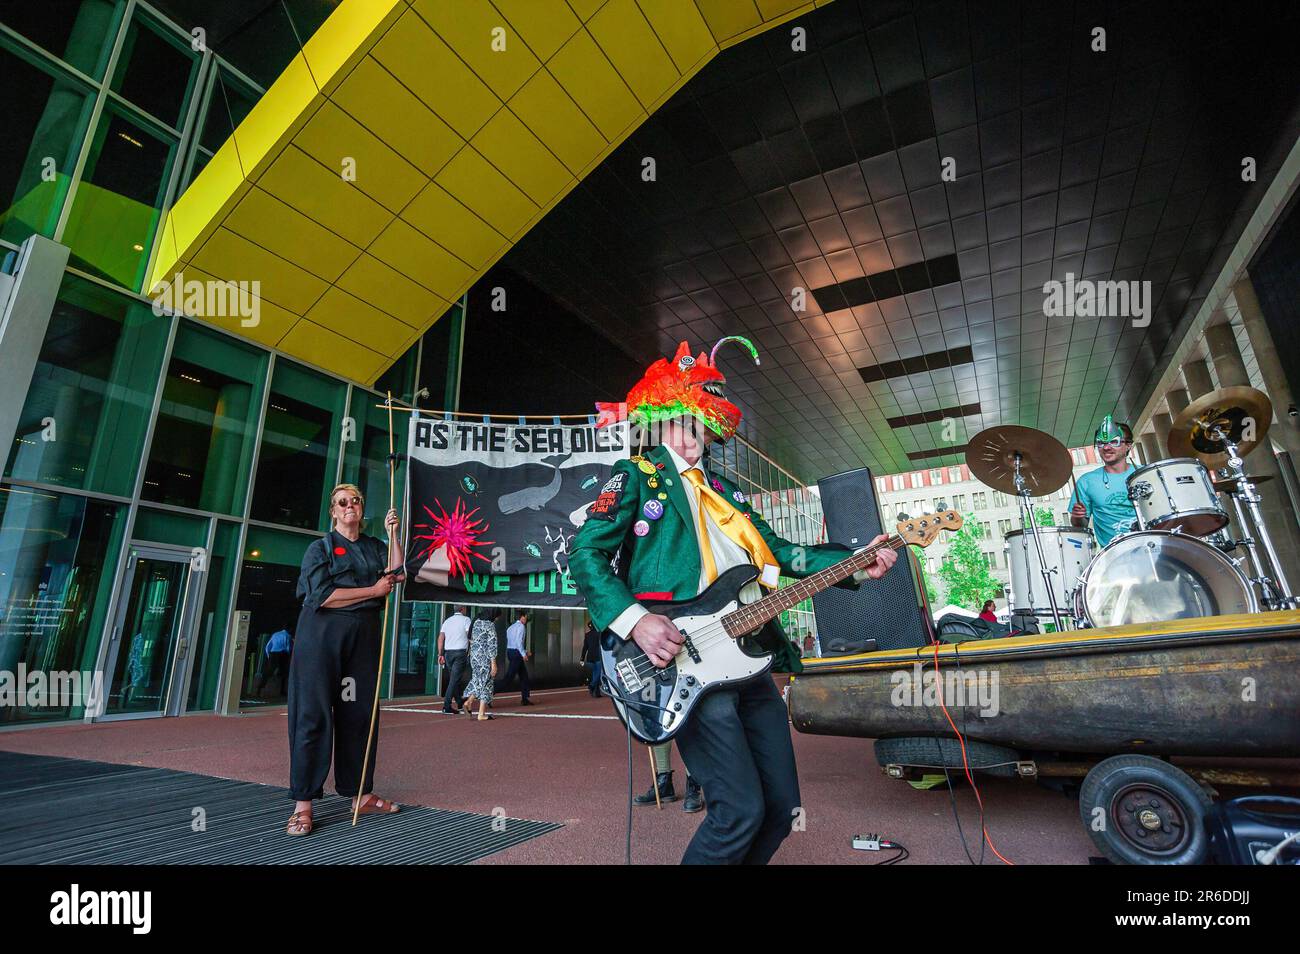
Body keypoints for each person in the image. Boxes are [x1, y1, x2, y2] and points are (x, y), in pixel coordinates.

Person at [570, 338, 898, 864]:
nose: (691, 432)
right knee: (737, 811)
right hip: (683, 659)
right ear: (660, 420)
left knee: (780, 807)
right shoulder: (635, 476)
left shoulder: (729, 493)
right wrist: (635, 623)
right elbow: (585, 555)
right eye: (681, 420)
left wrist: (858, 558)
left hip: (750, 656)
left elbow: (785, 553)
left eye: (700, 422)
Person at [286, 483, 404, 836]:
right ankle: (303, 804)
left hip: (362, 638)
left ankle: (360, 794)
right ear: (333, 511)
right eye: (342, 502)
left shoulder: (372, 546)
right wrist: (372, 591)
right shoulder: (319, 549)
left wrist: (393, 533)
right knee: (313, 714)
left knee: (359, 715)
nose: (349, 505)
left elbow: (396, 573)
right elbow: (322, 596)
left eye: (355, 501)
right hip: (322, 638)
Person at [1069, 417, 1139, 548]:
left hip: (1152, 545)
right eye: (1101, 443)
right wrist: (1077, 517)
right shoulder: (1087, 481)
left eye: (1114, 442)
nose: (1106, 447)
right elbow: (1080, 525)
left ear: (1128, 445)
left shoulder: (1145, 473)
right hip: (1113, 555)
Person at [462, 608, 500, 721]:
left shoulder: (476, 622)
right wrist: (493, 663)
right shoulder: (489, 625)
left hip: (474, 657)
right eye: (497, 617)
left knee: (480, 680)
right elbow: (492, 645)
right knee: (486, 682)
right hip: (485, 658)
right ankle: (473, 706)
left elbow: (471, 639)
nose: (497, 619)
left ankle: (476, 709)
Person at [437, 605, 471, 714]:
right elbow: (469, 635)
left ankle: (459, 701)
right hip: (460, 653)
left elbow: (441, 638)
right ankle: (446, 706)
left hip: (448, 654)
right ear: (462, 609)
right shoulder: (466, 620)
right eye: (465, 608)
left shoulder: (447, 621)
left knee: (454, 678)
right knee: (454, 680)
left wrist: (440, 654)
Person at [500, 610, 532, 705]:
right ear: (522, 617)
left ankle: (525, 698)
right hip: (516, 654)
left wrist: (524, 652)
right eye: (526, 617)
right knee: (509, 678)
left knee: (524, 676)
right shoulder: (521, 627)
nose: (526, 619)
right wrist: (523, 654)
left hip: (510, 652)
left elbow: (512, 643)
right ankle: (489, 693)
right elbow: (518, 642)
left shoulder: (510, 628)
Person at [257, 624, 293, 697]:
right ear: (289, 630)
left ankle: (259, 688)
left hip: (273, 653)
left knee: (268, 671)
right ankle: (282, 691)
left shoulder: (275, 634)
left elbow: (268, 646)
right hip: (283, 654)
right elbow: (288, 647)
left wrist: (268, 655)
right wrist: (289, 656)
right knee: (284, 672)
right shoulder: (288, 636)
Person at [580, 616, 603, 697]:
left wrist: (582, 658)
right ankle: (591, 686)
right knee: (598, 674)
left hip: (590, 658)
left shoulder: (587, 635)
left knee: (594, 674)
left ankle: (596, 693)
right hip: (598, 657)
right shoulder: (600, 634)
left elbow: (585, 647)